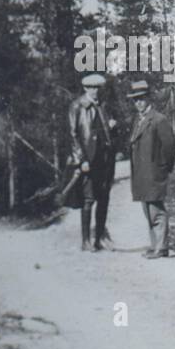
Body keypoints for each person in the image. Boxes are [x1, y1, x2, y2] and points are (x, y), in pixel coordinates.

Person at [67, 72, 118, 251]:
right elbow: (73, 135)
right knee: (88, 199)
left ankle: (99, 238)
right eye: (91, 87)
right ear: (85, 88)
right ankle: (85, 241)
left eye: (97, 87)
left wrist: (112, 128)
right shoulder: (78, 106)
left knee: (104, 198)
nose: (95, 91)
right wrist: (81, 159)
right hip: (89, 160)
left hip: (105, 160)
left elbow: (107, 132)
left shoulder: (103, 106)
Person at [127, 78, 175, 259]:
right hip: (141, 174)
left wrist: (164, 167)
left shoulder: (158, 119)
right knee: (147, 209)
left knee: (156, 210)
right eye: (135, 100)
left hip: (154, 172)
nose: (138, 103)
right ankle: (155, 245)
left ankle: (162, 248)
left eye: (141, 98)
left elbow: (170, 146)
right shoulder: (138, 120)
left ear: (148, 98)